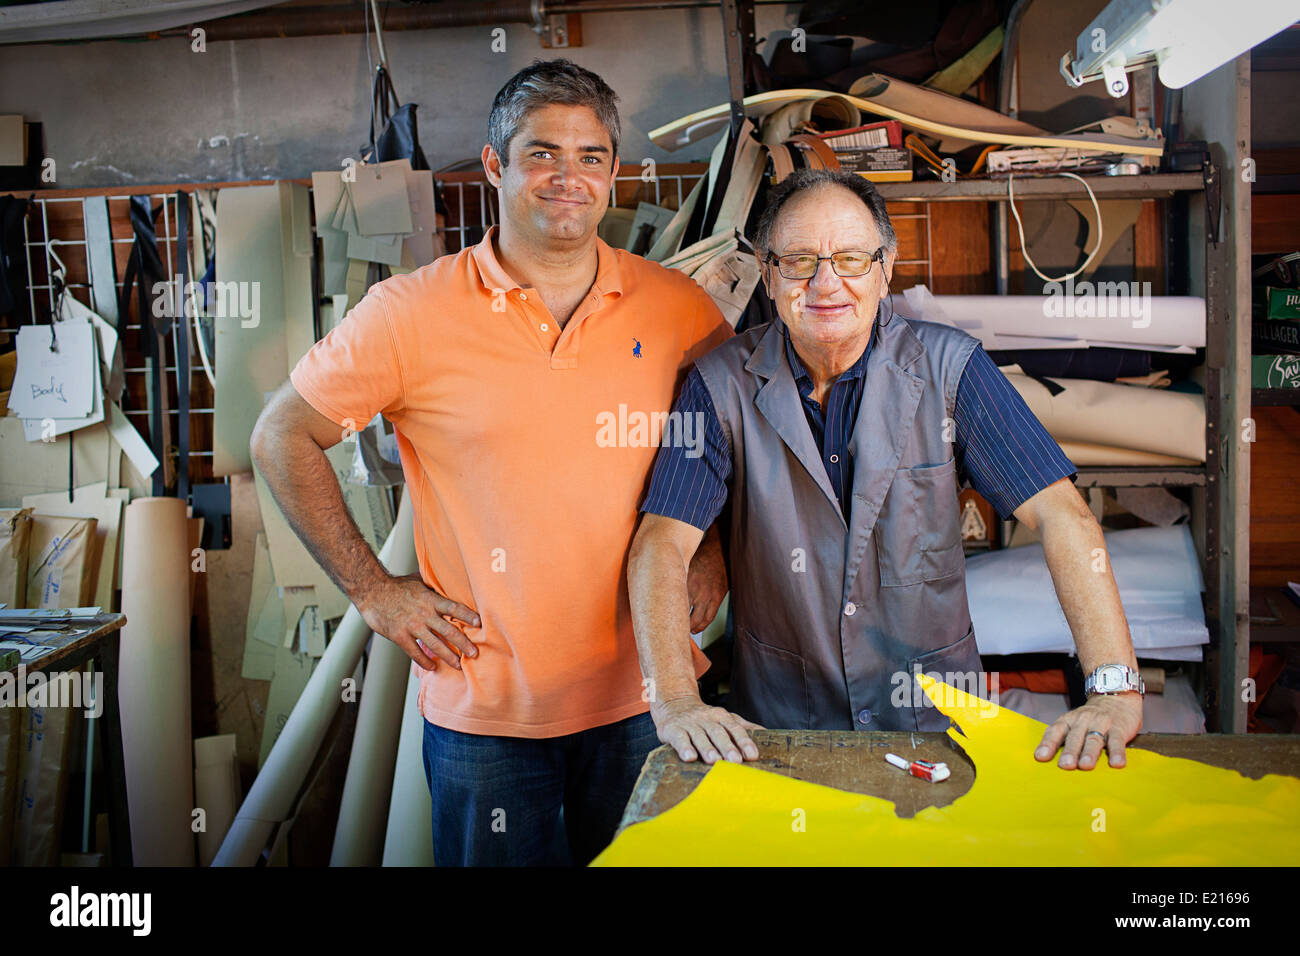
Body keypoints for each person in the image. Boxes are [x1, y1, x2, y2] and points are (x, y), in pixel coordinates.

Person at [251, 58, 731, 865]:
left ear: (614, 172)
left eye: (590, 157)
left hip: (650, 696)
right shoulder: (408, 314)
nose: (567, 178)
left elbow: (722, 445)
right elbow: (280, 436)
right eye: (542, 153)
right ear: (495, 166)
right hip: (489, 711)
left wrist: (711, 550)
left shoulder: (678, 308)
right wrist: (375, 591)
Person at [628, 168, 1144, 774]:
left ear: (885, 268)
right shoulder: (719, 385)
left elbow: (1062, 516)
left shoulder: (952, 369)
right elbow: (660, 545)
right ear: (768, 273)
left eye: (850, 258)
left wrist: (1113, 687)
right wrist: (675, 701)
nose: (826, 283)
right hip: (780, 728)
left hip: (935, 721)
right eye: (798, 260)